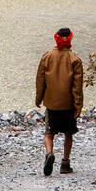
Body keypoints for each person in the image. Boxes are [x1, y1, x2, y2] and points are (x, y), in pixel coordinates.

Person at [35, 27, 83, 175]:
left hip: (52, 104)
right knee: (69, 134)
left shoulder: (46, 57)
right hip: (68, 104)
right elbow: (77, 86)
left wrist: (39, 99)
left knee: (49, 134)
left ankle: (49, 153)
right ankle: (65, 163)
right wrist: (78, 105)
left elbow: (40, 81)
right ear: (71, 39)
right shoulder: (75, 60)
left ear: (56, 38)